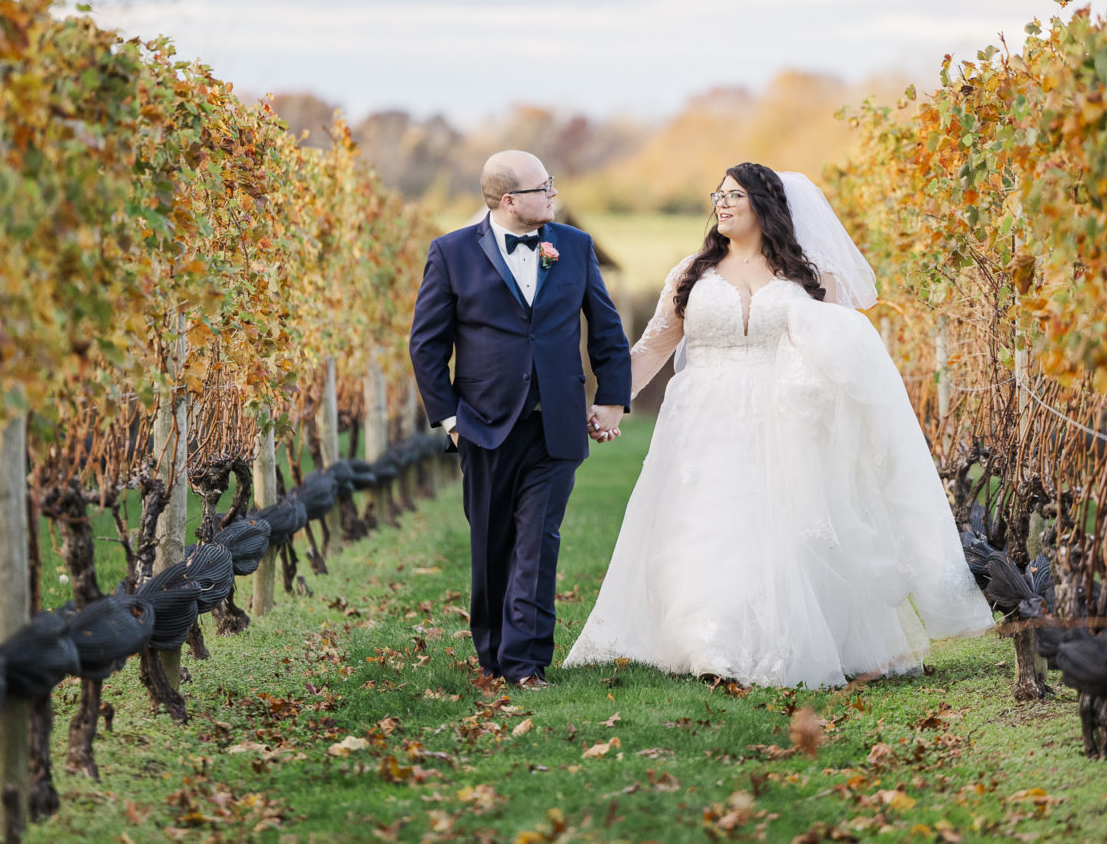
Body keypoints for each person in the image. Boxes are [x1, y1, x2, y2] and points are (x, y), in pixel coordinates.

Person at [563, 163, 991, 688]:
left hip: (784, 417)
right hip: (701, 421)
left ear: (765, 205)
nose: (722, 203)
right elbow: (653, 347)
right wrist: (609, 402)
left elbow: (843, 351)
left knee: (777, 527)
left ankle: (780, 637)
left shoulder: (807, 277)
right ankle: (709, 643)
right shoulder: (691, 274)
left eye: (735, 195)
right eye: (718, 194)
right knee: (705, 525)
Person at [409, 150, 632, 690]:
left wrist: (612, 397)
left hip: (555, 422)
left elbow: (605, 328)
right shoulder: (452, 253)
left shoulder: (573, 247)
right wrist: (450, 420)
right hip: (483, 423)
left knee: (539, 540)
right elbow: (426, 345)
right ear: (509, 201)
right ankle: (493, 652)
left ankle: (526, 663)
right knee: (491, 542)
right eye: (543, 187)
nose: (553, 194)